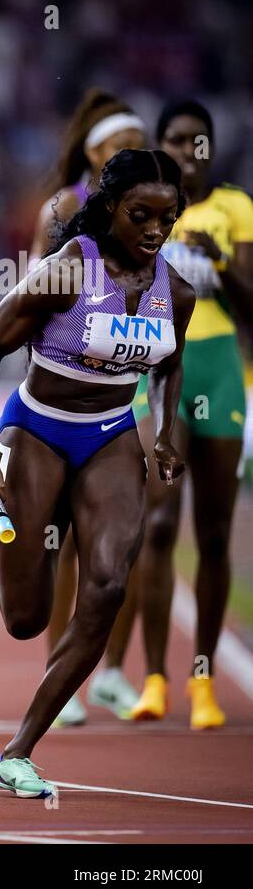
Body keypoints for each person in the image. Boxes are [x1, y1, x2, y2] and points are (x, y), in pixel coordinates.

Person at [0, 149, 194, 798]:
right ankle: (18, 547)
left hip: (110, 437)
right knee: (26, 619)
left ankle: (20, 748)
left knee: (105, 587)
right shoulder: (67, 271)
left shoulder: (176, 290)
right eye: (140, 215)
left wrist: (167, 430)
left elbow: (170, 361)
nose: (155, 230)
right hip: (37, 429)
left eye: (167, 218)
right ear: (110, 209)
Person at [127, 99, 252, 729]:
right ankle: (155, 679)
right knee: (156, 525)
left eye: (198, 141)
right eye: (176, 141)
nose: (187, 151)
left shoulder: (234, 209)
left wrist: (221, 261)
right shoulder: (147, 214)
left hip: (220, 367)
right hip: (160, 369)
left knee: (212, 531)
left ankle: (203, 681)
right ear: (161, 147)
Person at [31, 89, 148, 727]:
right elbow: (34, 282)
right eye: (113, 147)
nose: (125, 153)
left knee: (124, 539)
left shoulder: (151, 201)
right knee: (60, 536)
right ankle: (61, 672)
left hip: (131, 376)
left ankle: (111, 673)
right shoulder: (63, 206)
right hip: (63, 374)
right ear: (91, 152)